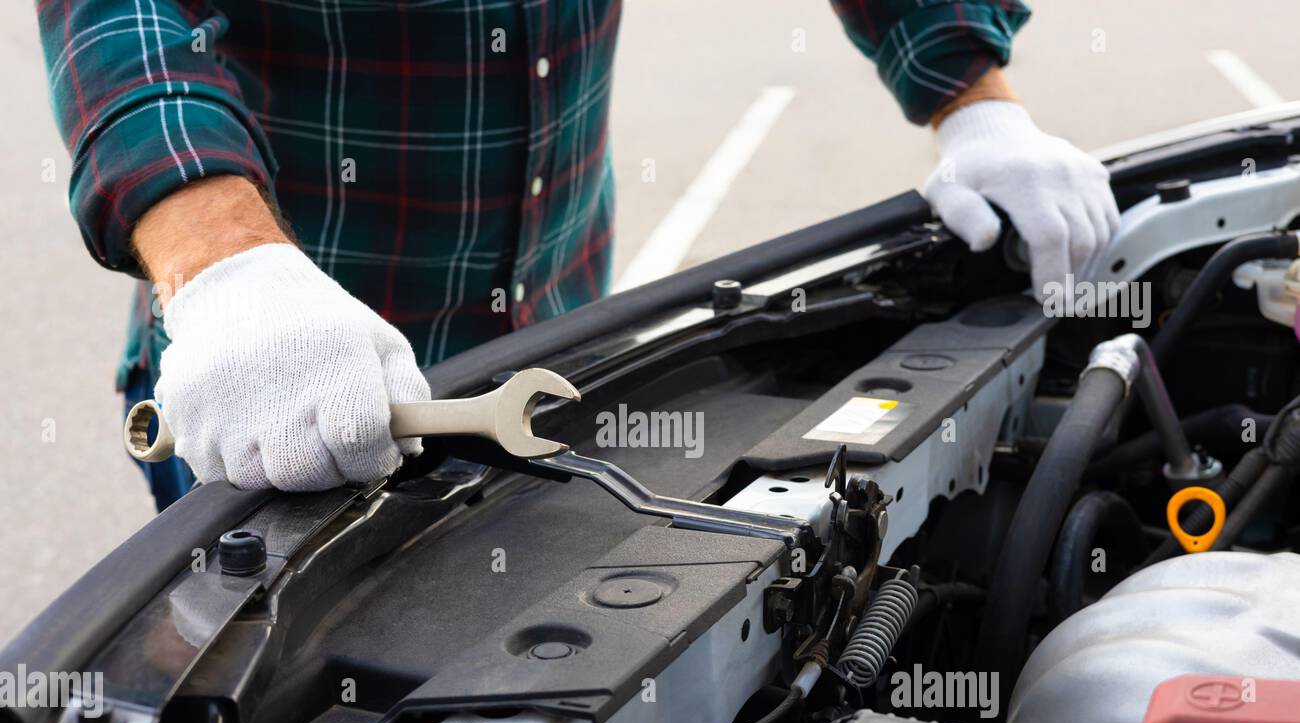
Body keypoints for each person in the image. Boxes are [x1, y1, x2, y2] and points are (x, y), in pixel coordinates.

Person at [37, 0, 1116, 507]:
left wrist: (978, 105)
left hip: (553, 346)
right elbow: (121, 16)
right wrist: (224, 266)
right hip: (281, 376)